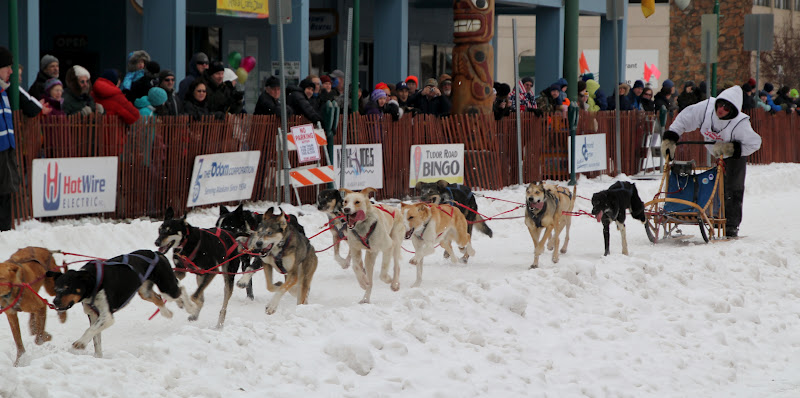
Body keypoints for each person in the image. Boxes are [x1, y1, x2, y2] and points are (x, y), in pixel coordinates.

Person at [660, 85, 762, 238]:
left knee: (732, 188)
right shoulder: (706, 108)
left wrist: (730, 149)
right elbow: (683, 119)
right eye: (720, 105)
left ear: (733, 112)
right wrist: (671, 138)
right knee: (712, 183)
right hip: (715, 149)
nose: (720, 109)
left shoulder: (740, 124)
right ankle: (706, 212)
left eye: (726, 108)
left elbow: (755, 143)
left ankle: (731, 225)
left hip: (734, 155)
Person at [0, 47, 21, 230]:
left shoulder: (3, 93)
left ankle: (5, 237)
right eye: (7, 67)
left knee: (6, 196)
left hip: (6, 154)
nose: (11, 72)